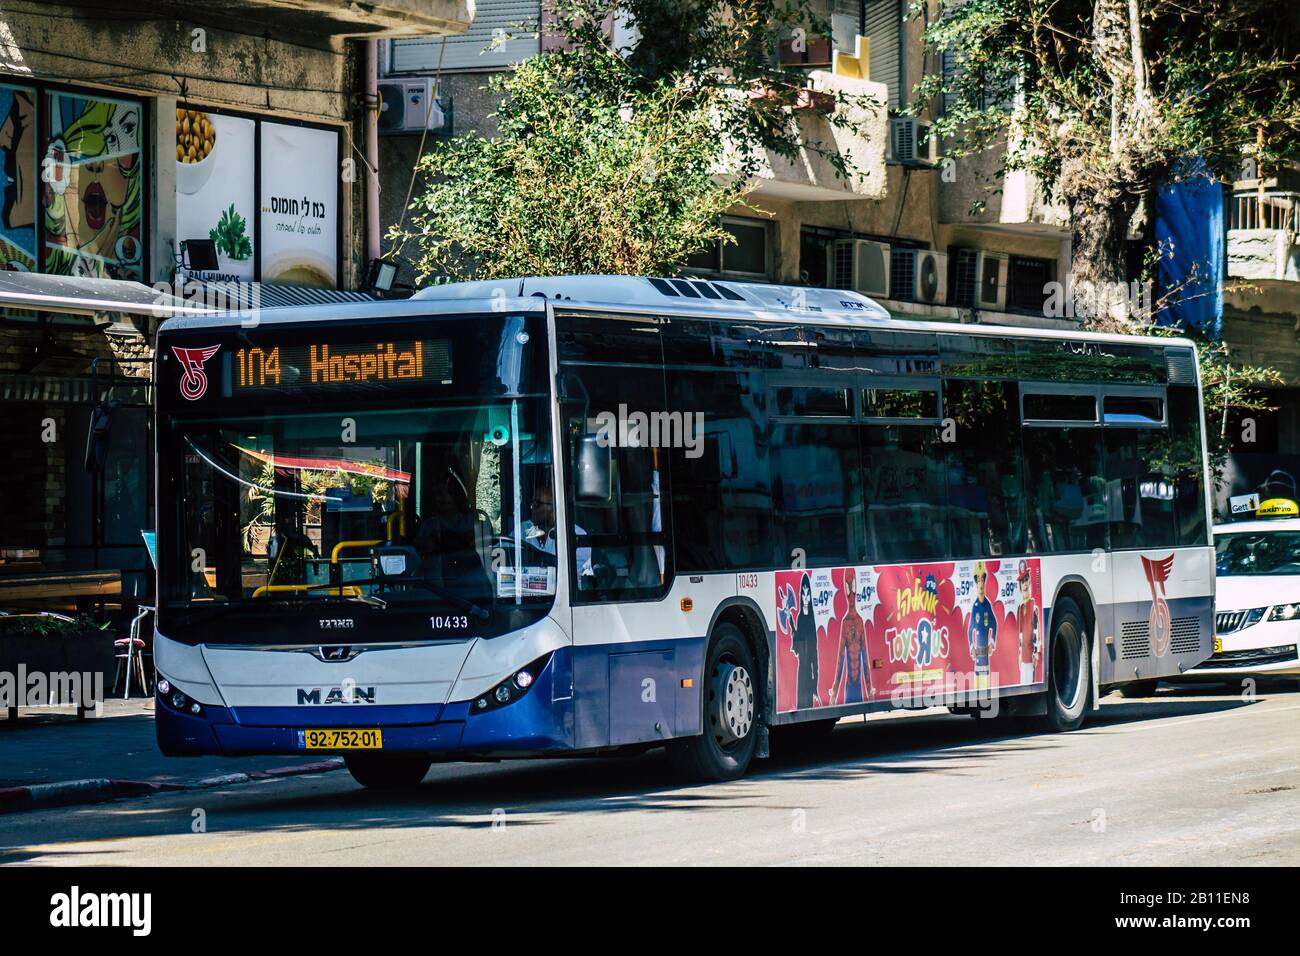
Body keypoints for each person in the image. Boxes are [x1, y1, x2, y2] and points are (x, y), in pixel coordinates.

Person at [521, 484, 592, 577]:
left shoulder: (575, 534)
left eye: (537, 504)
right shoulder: (524, 529)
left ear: (553, 507)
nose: (532, 507)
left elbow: (575, 575)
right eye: (532, 503)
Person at [968, 560, 998, 690]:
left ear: (985, 582)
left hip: (986, 653)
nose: (980, 583)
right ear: (975, 582)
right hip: (978, 654)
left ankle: (985, 695)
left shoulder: (987, 605)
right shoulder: (975, 607)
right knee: (978, 678)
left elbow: (994, 624)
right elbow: (970, 630)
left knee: (985, 678)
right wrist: (971, 647)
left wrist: (992, 642)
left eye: (982, 580)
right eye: (978, 580)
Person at [792, 572, 821, 709]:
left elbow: (814, 655)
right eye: (803, 594)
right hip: (801, 671)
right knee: (801, 705)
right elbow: (796, 647)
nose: (805, 597)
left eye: (807, 594)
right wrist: (793, 627)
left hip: (808, 674)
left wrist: (815, 684)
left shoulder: (811, 619)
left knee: (808, 706)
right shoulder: (800, 617)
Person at [1015, 560, 1040, 685]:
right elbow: (1020, 633)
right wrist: (1019, 654)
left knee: (1029, 683)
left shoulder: (1033, 606)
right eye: (1022, 581)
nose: (1025, 584)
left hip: (1030, 656)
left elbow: (1036, 631)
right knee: (1022, 682)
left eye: (1026, 580)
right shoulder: (1020, 608)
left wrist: (1036, 652)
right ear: (1020, 586)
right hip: (1023, 656)